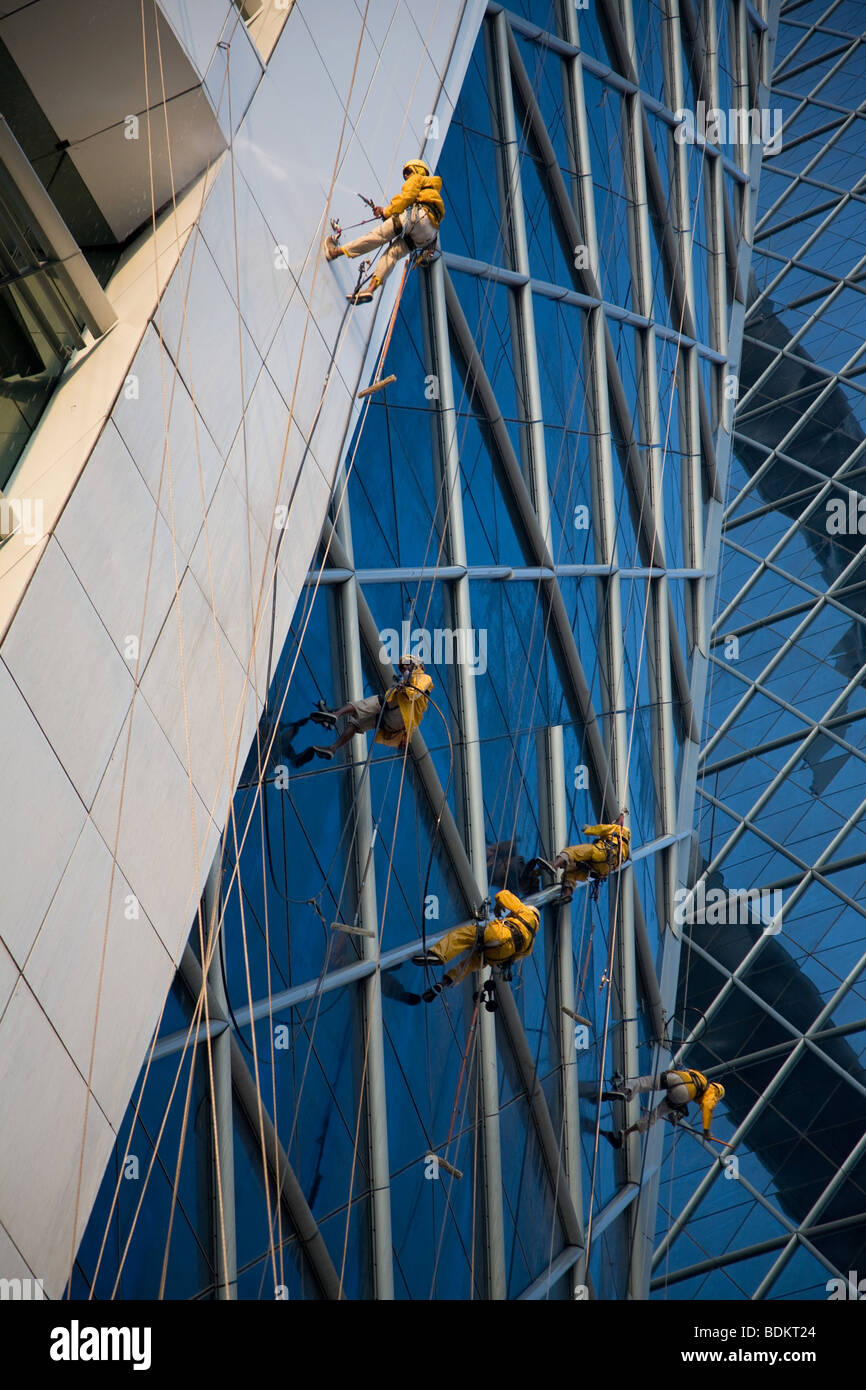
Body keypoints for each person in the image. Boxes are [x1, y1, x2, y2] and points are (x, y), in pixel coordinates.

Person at [324, 159, 445, 304]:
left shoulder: (417, 179)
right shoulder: (432, 192)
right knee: (392, 255)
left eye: (407, 172)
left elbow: (406, 198)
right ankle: (370, 289)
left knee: (377, 236)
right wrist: (388, 213)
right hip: (428, 235)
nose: (406, 176)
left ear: (417, 170)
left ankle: (335, 252)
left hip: (417, 217)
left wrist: (386, 212)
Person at [412, 889, 539, 993]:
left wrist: (500, 905)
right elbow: (512, 958)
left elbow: (502, 895)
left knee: (464, 935)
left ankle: (438, 955)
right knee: (469, 964)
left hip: (499, 935)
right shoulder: (530, 945)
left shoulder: (526, 912)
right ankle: (446, 982)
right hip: (496, 956)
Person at [308, 654, 432, 760]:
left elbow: (415, 692)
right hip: (392, 721)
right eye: (401, 666)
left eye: (406, 663)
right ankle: (332, 748)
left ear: (415, 664)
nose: (403, 667)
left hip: (399, 711)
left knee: (377, 701)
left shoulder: (424, 678)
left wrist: (404, 689)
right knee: (356, 723)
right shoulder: (406, 681)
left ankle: (336, 714)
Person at [600, 1068, 725, 1147]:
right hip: (682, 1095)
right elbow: (707, 1107)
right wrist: (707, 1131)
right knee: (655, 1115)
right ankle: (626, 1133)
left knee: (642, 1083)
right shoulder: (713, 1092)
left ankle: (625, 1091)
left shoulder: (700, 1076)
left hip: (675, 1078)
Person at [553, 812, 630, 896]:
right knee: (571, 872)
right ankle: (566, 894)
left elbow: (602, 829)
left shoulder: (618, 828)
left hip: (602, 853)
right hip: (601, 870)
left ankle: (554, 865)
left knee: (573, 851)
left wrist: (588, 829)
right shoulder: (624, 849)